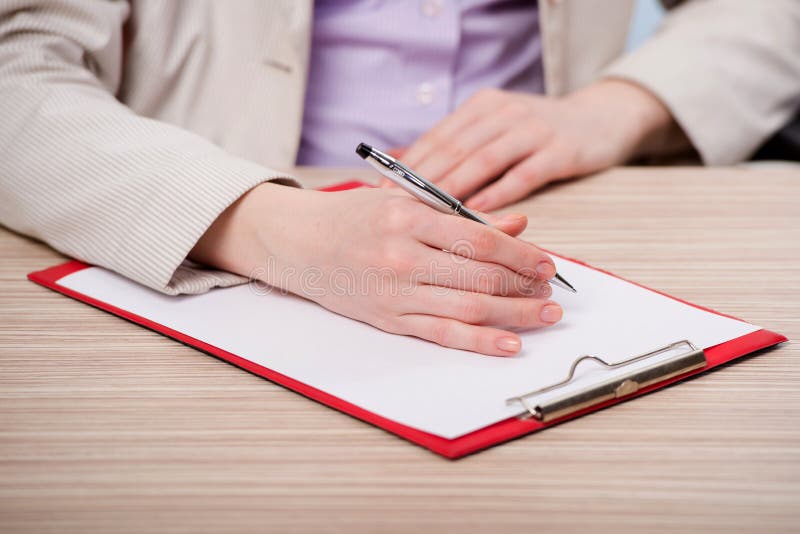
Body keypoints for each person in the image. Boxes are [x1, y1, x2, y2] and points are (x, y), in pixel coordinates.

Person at [1, 1, 798, 356]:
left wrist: (621, 105)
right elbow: (16, 71)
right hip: (190, 244)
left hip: (571, 201)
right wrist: (259, 223)